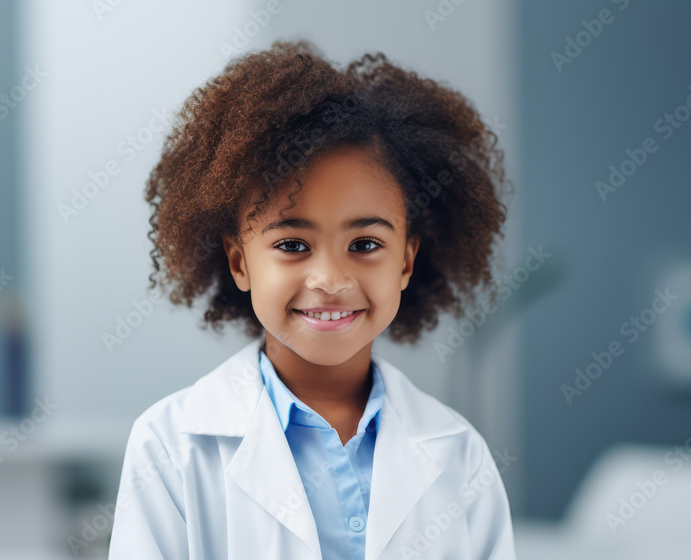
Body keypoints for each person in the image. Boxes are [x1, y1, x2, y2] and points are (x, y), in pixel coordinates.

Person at [108, 39, 516, 560]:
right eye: (292, 245)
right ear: (239, 262)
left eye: (365, 244)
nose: (329, 279)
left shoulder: (460, 454)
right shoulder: (169, 448)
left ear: (407, 262)